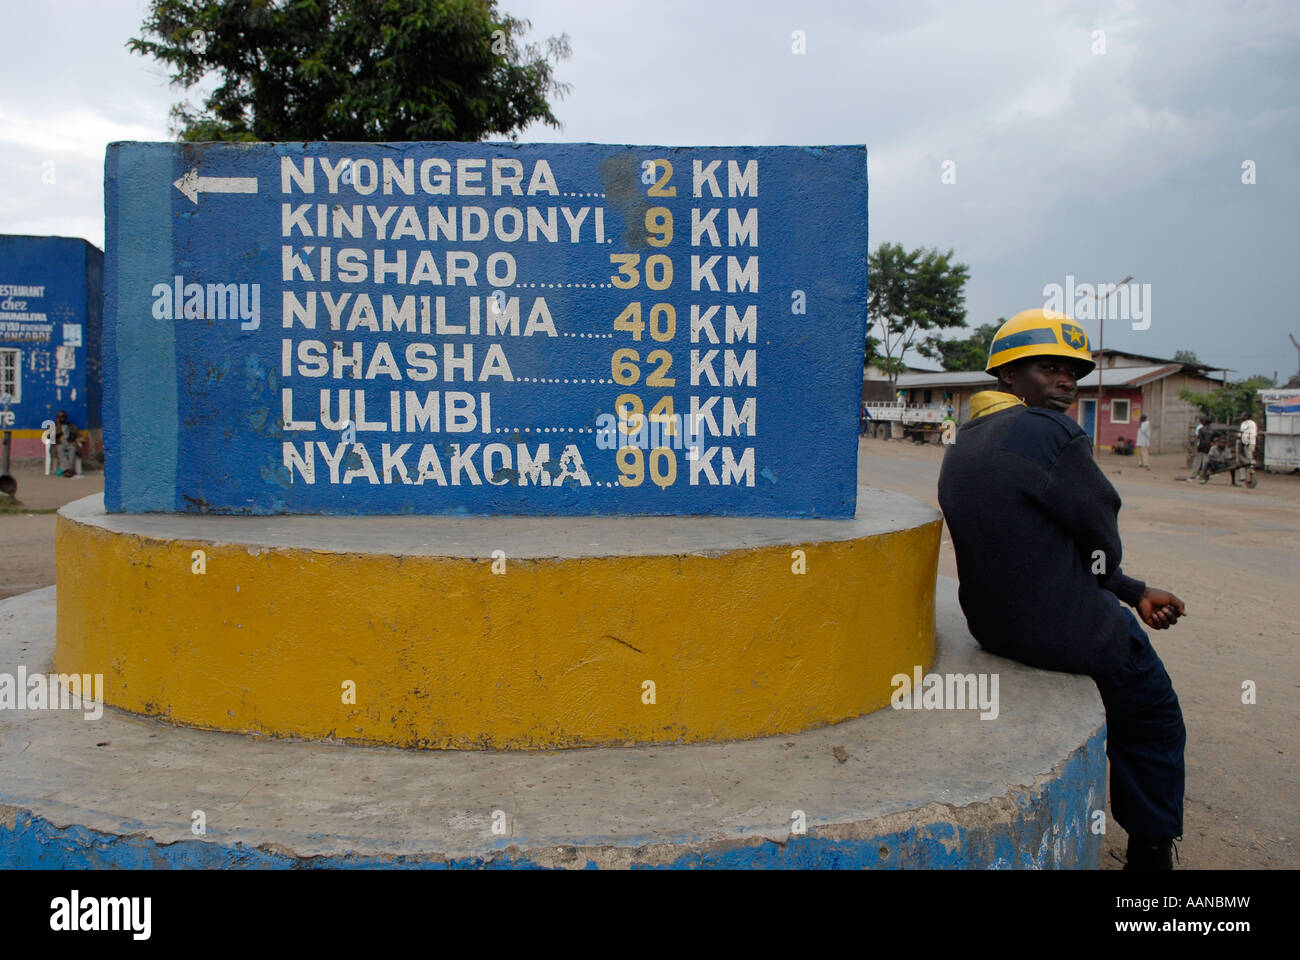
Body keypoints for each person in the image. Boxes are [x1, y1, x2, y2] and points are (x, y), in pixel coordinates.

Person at [937, 308, 1187, 870]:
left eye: (1072, 371)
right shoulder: (1053, 432)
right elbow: (1100, 532)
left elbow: (1044, 542)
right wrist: (1116, 584)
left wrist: (1133, 590)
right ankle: (1151, 851)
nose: (1066, 382)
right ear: (1008, 377)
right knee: (1154, 717)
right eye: (1048, 368)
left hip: (991, 626)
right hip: (1068, 632)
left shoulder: (964, 440)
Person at [53, 410, 81, 478]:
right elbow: (49, 437)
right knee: (60, 449)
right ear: (57, 418)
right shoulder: (54, 426)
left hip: (69, 443)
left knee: (72, 449)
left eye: (63, 417)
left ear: (66, 418)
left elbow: (79, 435)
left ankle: (68, 470)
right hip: (59, 444)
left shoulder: (71, 426)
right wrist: (59, 428)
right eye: (59, 417)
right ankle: (67, 470)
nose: (61, 418)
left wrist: (78, 439)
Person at [1188, 417, 1212, 482]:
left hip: (1201, 446)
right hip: (1207, 447)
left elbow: (1198, 437)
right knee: (1205, 460)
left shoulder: (1200, 428)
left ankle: (1195, 474)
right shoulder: (1211, 429)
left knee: (1198, 461)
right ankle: (1202, 474)